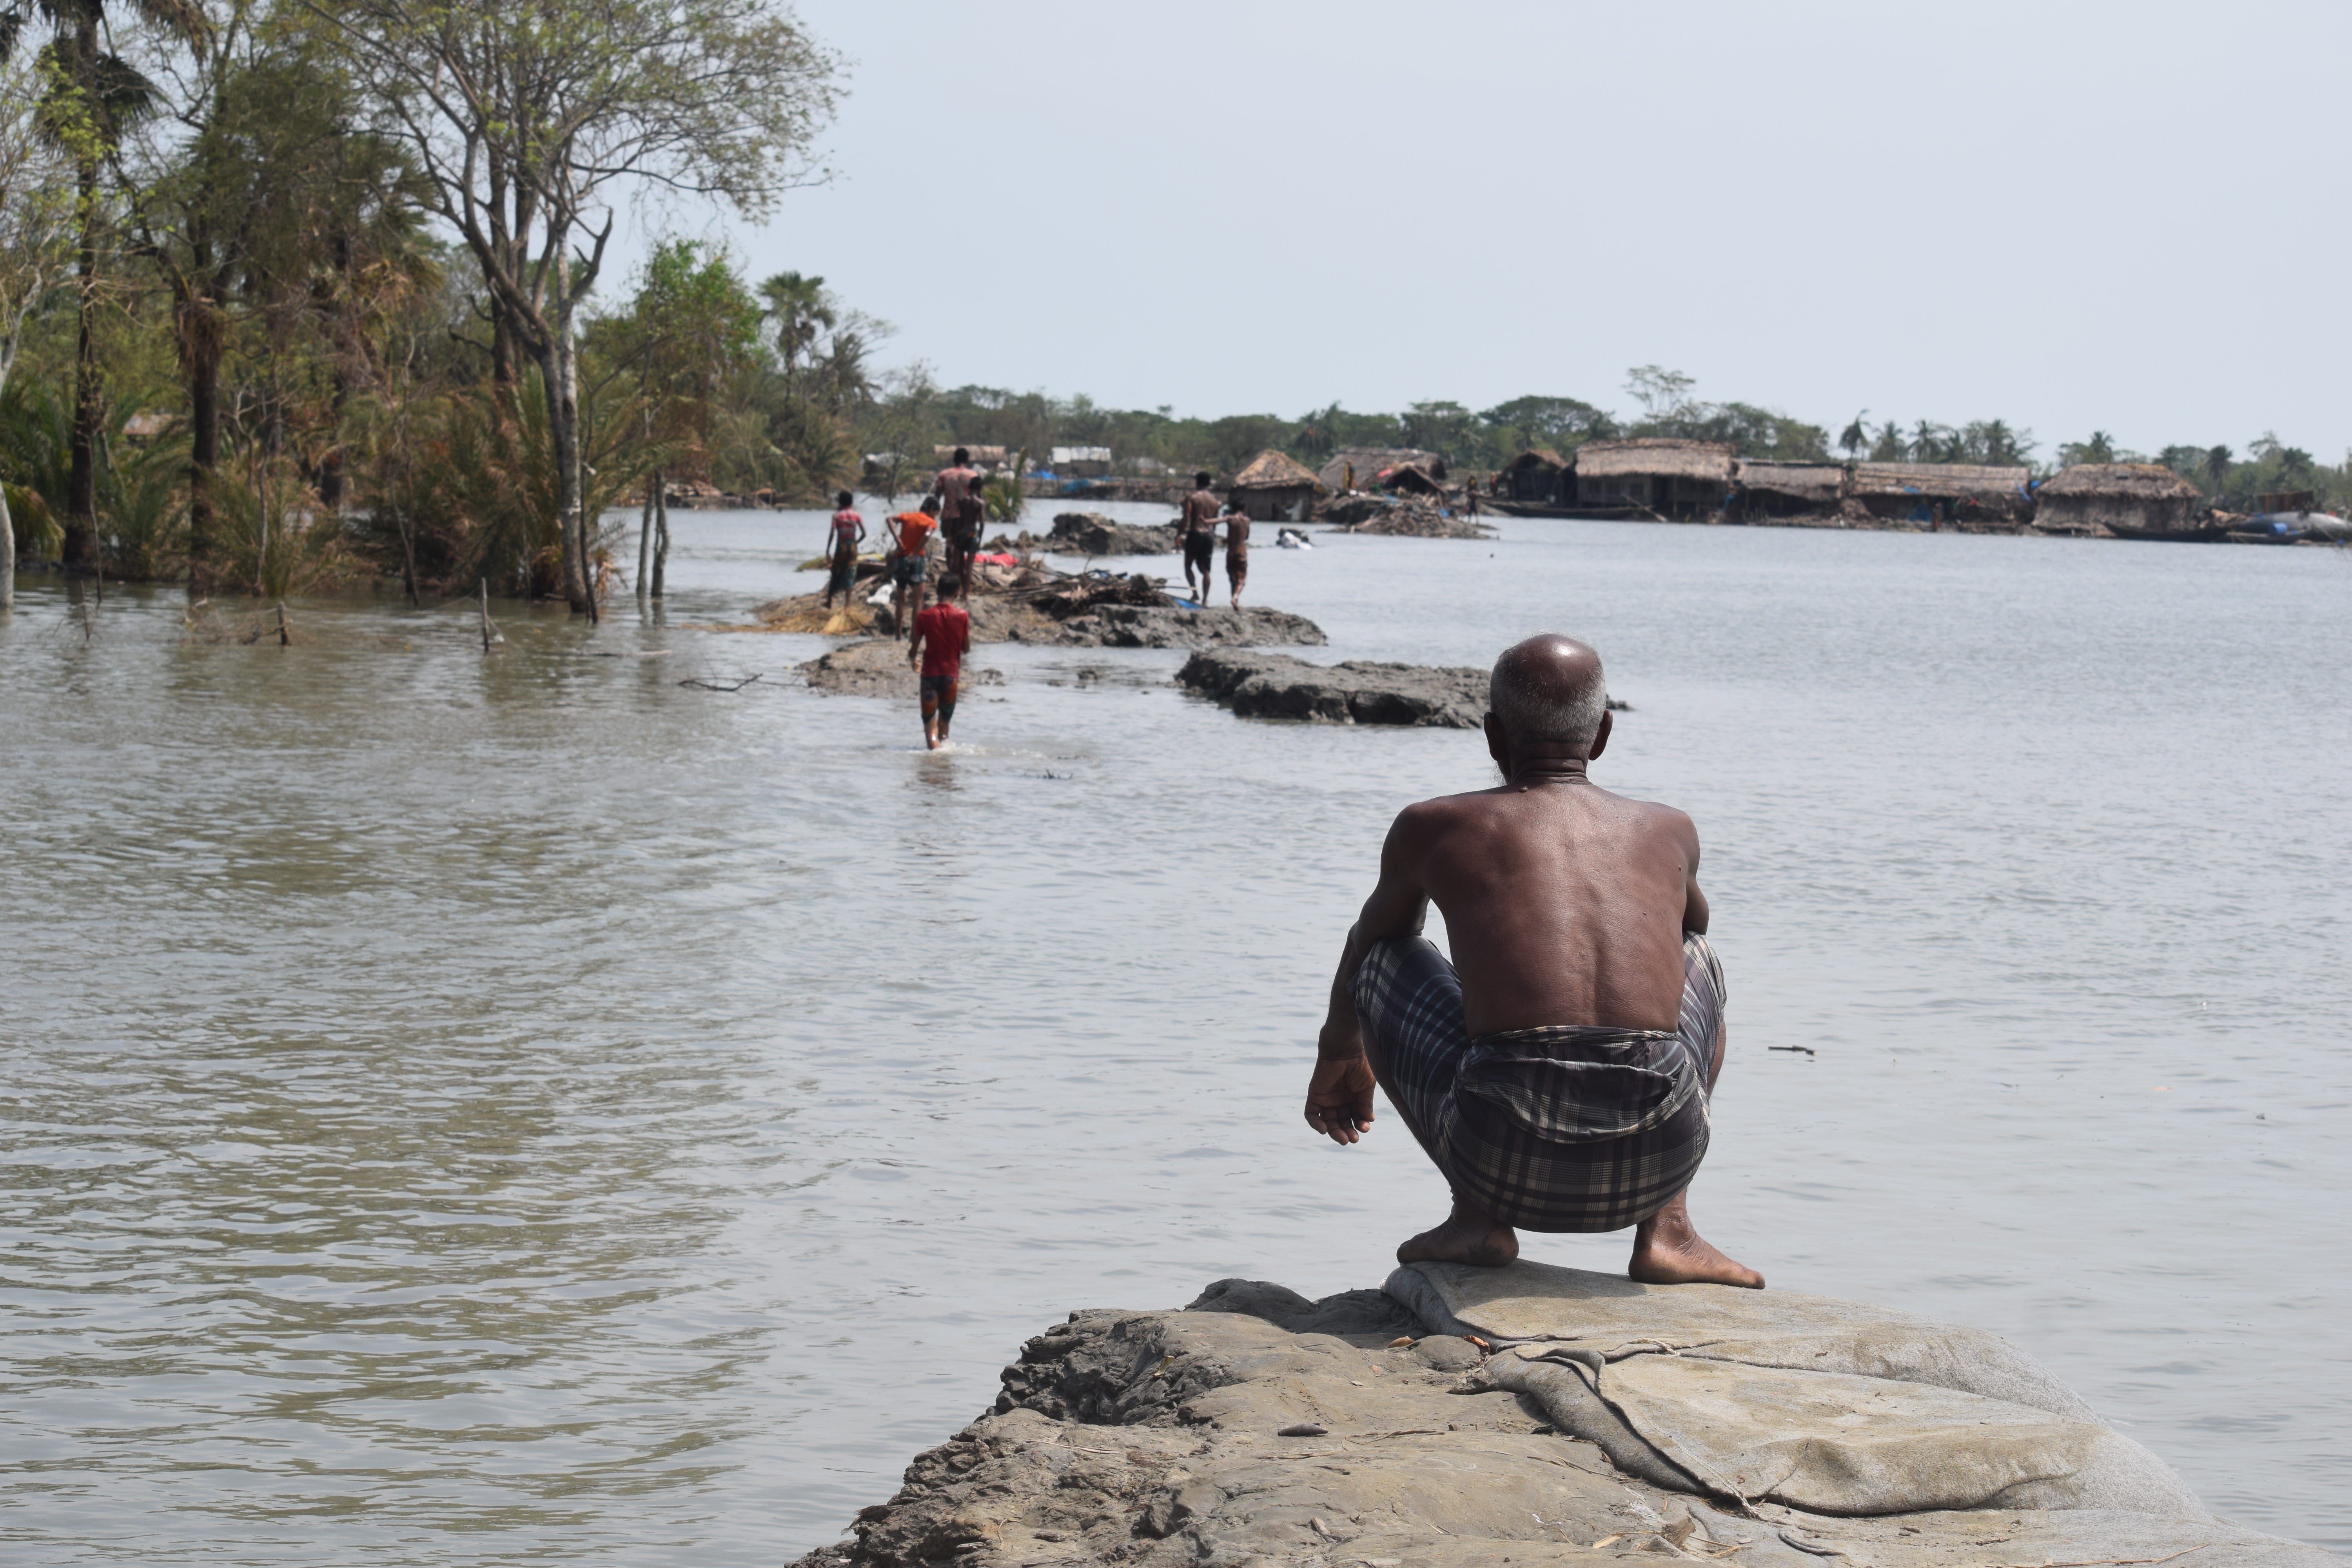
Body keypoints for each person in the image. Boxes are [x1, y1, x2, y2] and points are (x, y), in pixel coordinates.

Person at [1303, 634, 1763, 1289]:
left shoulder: (1433, 825)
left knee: (1383, 953)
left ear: (1494, 737)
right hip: (1658, 1154)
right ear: (1602, 734)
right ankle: (1668, 1228)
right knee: (1700, 956)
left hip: (1499, 1157)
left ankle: (1478, 1219)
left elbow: (1370, 948)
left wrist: (1339, 1053)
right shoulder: (1668, 827)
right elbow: (1693, 932)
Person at [908, 573, 972, 750]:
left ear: (936, 591)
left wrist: (913, 658)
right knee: (944, 725)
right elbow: (966, 649)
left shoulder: (924, 616)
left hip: (930, 675)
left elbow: (914, 648)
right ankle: (943, 768)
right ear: (958, 594)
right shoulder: (962, 616)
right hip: (951, 676)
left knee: (931, 728)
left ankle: (935, 762)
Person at [886, 501, 940, 639]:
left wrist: (898, 541)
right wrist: (915, 552)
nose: (935, 517)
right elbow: (927, 535)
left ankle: (898, 635)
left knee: (901, 599)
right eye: (936, 513)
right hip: (917, 559)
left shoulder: (908, 517)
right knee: (918, 600)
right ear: (931, 508)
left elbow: (889, 519)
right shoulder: (930, 522)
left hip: (901, 558)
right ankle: (914, 636)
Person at [933, 447, 984, 588]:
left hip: (948, 515)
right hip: (965, 519)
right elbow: (978, 499)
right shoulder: (972, 475)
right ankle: (961, 583)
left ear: (954, 459)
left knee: (950, 546)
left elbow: (937, 497)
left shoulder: (944, 475)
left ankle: (952, 577)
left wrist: (931, 516)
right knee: (961, 551)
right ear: (967, 460)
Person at [1180, 471, 1220, 605]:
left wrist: (1179, 534)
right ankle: (1205, 600)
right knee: (1206, 571)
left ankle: (1195, 593)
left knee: (1188, 565)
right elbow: (1215, 522)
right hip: (1209, 535)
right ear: (1209, 484)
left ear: (1197, 482)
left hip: (1195, 533)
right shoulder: (1215, 502)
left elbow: (1187, 517)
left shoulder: (1191, 498)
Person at [824, 490, 866, 610]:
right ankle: (847, 606)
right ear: (852, 502)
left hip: (841, 546)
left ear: (840, 502)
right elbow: (864, 534)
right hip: (852, 546)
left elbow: (832, 533)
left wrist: (828, 550)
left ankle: (829, 602)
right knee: (851, 571)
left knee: (836, 571)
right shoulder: (857, 515)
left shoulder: (837, 516)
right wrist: (856, 543)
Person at [1219, 493, 1250, 608]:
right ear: (1244, 509)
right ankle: (1235, 598)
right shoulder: (1247, 521)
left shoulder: (1230, 519)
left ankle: (1235, 601)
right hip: (1241, 552)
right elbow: (1246, 537)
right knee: (1242, 579)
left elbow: (1218, 521)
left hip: (1231, 553)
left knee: (1232, 578)